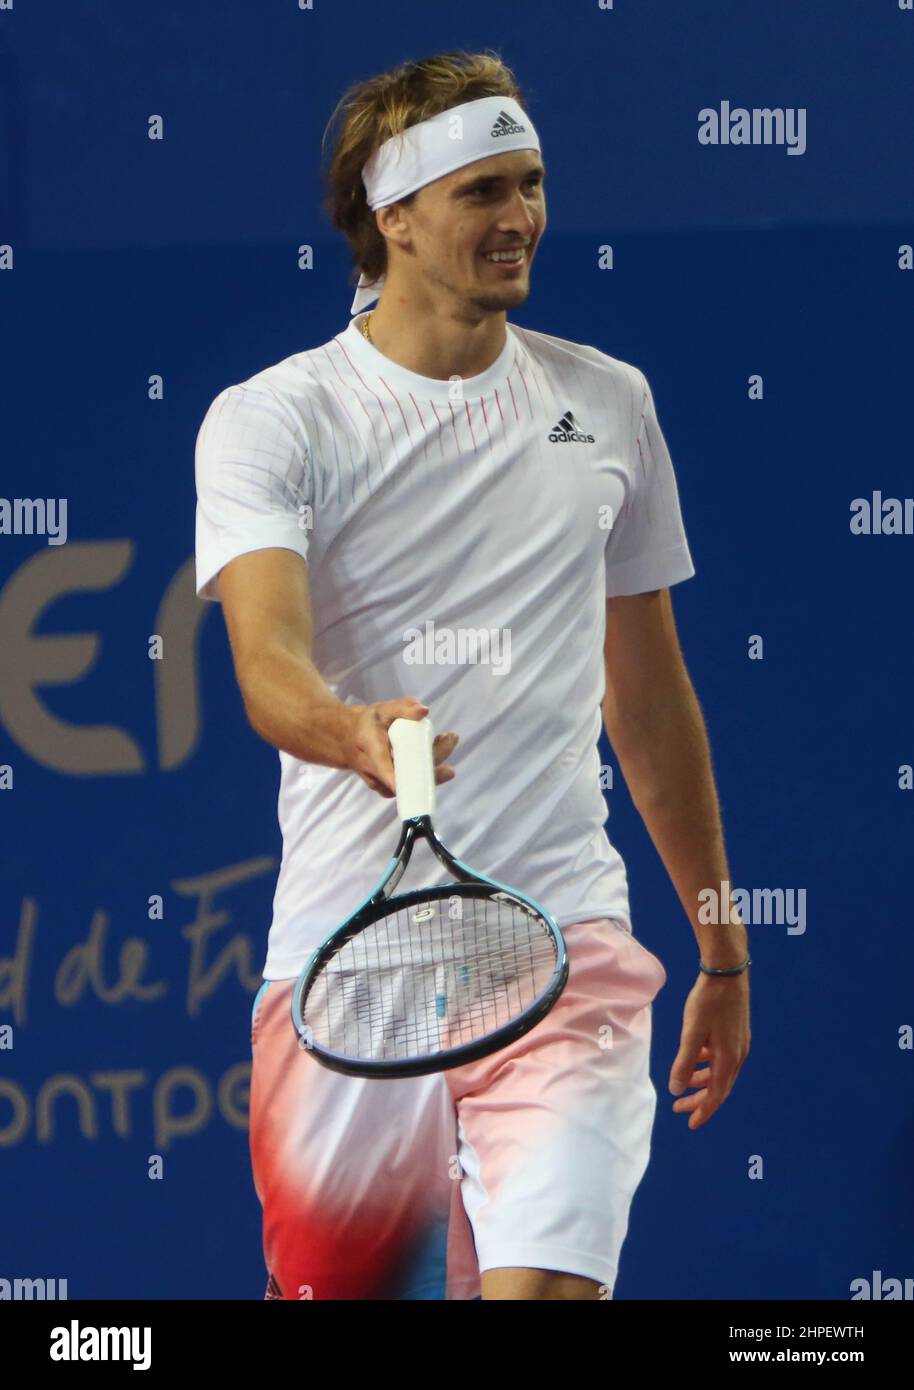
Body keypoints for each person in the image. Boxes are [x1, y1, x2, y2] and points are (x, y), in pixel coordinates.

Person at [194, 49, 751, 1301]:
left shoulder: (606, 403)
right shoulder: (271, 420)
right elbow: (268, 665)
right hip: (348, 968)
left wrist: (721, 948)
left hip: (560, 944)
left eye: (532, 185)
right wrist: (347, 730)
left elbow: (649, 700)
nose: (521, 221)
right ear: (391, 216)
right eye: (482, 193)